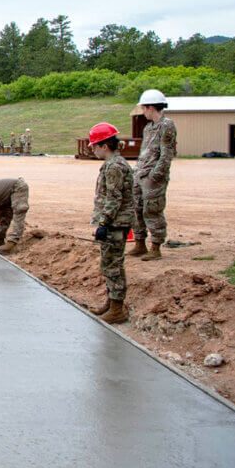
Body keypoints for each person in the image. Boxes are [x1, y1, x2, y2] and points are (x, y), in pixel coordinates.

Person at [87, 123, 135, 323]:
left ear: (104, 145)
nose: (93, 150)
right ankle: (111, 302)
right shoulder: (114, 163)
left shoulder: (114, 166)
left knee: (112, 264)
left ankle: (117, 309)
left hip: (115, 223)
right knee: (108, 263)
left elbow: (114, 198)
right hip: (114, 222)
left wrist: (104, 223)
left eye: (94, 146)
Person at [131, 89, 176, 262]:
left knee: (152, 210)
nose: (142, 112)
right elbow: (145, 152)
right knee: (137, 209)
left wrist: (155, 175)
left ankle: (155, 246)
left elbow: (166, 154)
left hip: (152, 177)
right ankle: (139, 242)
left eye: (144, 108)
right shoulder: (149, 127)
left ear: (151, 108)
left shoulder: (166, 126)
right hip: (141, 173)